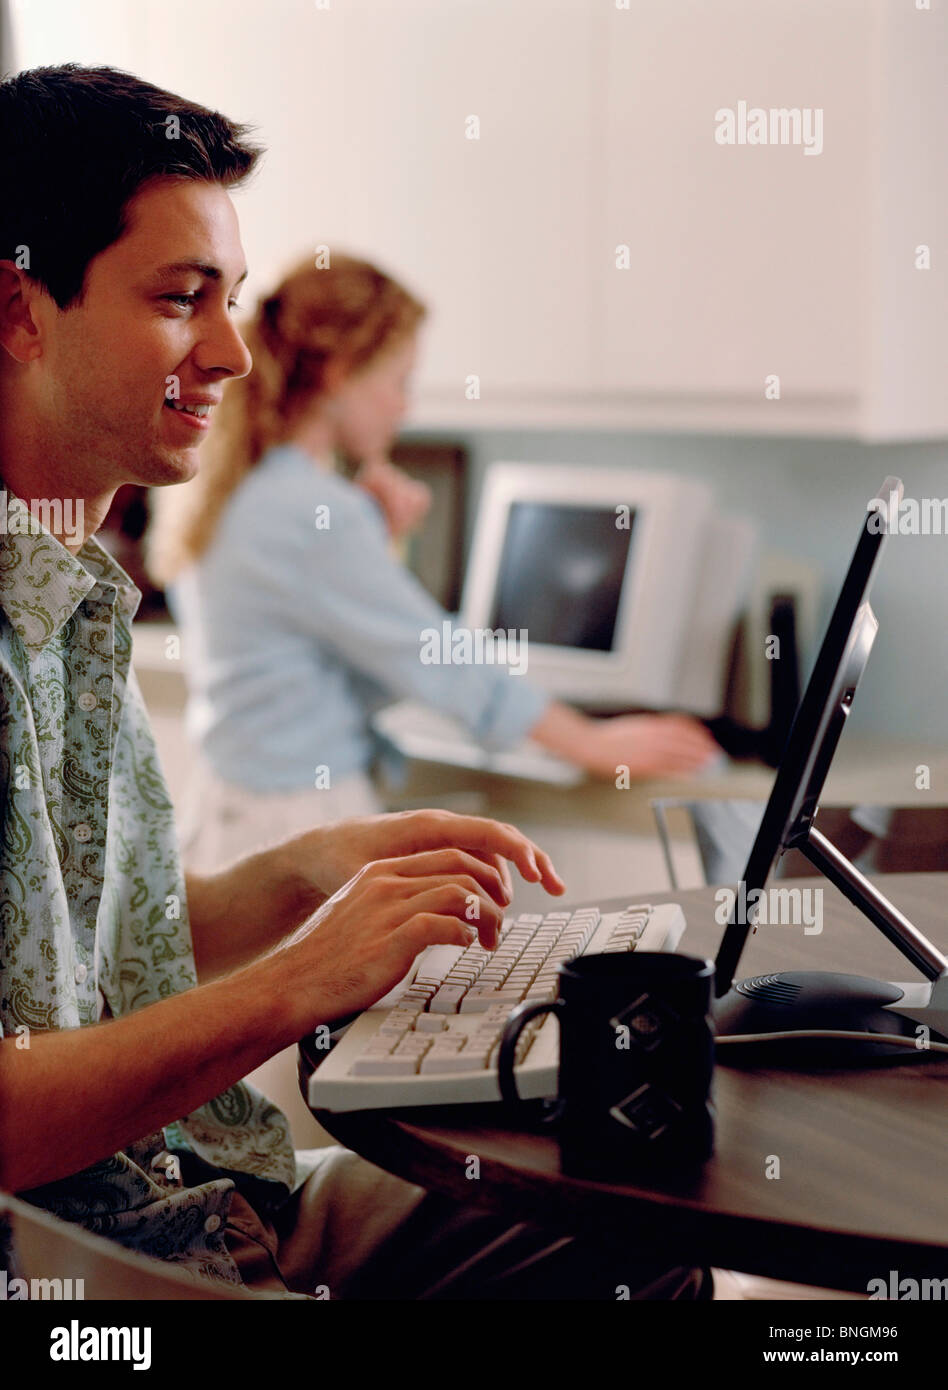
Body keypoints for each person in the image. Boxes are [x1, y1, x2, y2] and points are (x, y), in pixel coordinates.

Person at [0, 63, 710, 1301]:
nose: (228, 349)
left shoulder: (76, 596)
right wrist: (300, 980)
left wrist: (305, 871)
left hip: (205, 1200)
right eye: (179, 299)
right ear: (18, 312)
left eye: (232, 299)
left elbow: (95, 957)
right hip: (95, 1273)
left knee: (630, 1211)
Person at [146, 253, 720, 875]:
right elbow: (435, 658)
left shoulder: (243, 486)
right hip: (299, 820)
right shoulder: (318, 512)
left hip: (232, 817)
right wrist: (589, 740)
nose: (405, 408)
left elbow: (346, 662)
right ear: (340, 375)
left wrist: (379, 539)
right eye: (397, 382)